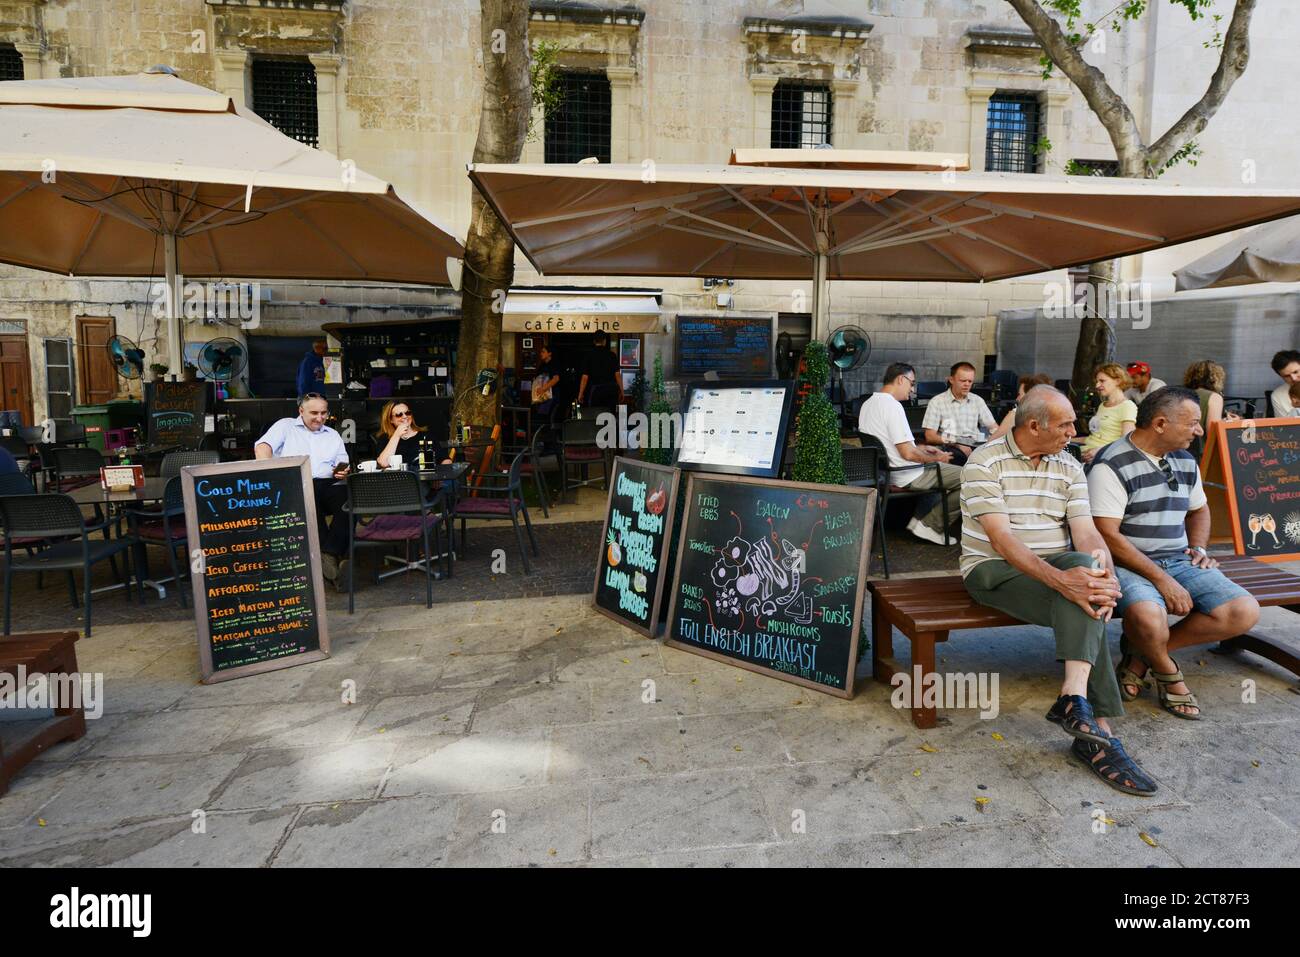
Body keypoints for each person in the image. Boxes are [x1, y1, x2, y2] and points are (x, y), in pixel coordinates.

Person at [961, 384, 1156, 795]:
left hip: (1056, 564)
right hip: (993, 570)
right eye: (1067, 425)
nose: (1076, 431)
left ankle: (1076, 702)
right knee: (1079, 592)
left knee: (1088, 575)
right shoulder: (984, 462)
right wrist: (1065, 582)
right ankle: (1098, 733)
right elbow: (1002, 540)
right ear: (1035, 425)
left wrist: (1105, 576)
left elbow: (1085, 533)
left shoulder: (1068, 465)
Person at [1089, 387, 1260, 720]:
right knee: (1150, 617)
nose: (1199, 430)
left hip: (1179, 558)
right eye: (1193, 423)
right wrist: (1162, 579)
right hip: (1126, 562)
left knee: (1244, 612)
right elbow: (1106, 535)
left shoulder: (1184, 459)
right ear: (1160, 423)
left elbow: (1199, 511)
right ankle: (1169, 674)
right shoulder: (1110, 464)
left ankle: (1141, 656)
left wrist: (1198, 548)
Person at [255, 392, 352, 589]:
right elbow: (263, 446)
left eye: (323, 413)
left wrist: (342, 470)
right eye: (314, 413)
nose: (320, 418)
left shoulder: (332, 434)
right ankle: (333, 561)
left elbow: (343, 461)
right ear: (301, 411)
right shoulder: (286, 426)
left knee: (349, 500)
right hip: (294, 482)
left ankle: (328, 554)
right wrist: (268, 473)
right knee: (308, 499)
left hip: (327, 483)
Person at [858, 362, 961, 545]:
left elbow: (892, 445)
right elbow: (908, 454)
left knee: (942, 467)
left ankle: (921, 520)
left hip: (884, 472)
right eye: (911, 383)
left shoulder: (868, 403)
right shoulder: (893, 407)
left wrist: (922, 448)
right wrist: (937, 457)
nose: (912, 390)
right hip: (907, 474)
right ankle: (930, 525)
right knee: (972, 478)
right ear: (900, 379)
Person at [921, 361, 998, 465]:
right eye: (963, 381)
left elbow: (993, 427)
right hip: (950, 446)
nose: (967, 384)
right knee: (962, 459)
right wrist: (957, 443)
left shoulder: (977, 400)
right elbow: (930, 436)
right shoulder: (937, 402)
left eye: (970, 381)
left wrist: (995, 440)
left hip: (974, 446)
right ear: (951, 380)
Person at [1182, 360, 1239, 459]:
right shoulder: (1213, 397)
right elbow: (1212, 432)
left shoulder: (1181, 394)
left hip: (1181, 453)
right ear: (1216, 378)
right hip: (1202, 456)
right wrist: (1231, 423)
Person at [1080, 363, 1137, 463]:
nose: (1097, 385)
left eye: (1102, 381)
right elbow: (1095, 437)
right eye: (1097, 381)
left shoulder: (1127, 406)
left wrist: (1100, 450)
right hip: (1087, 453)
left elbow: (1127, 441)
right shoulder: (1102, 405)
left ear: (1118, 381)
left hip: (1103, 458)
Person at [376, 400, 449, 469]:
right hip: (399, 480)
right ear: (391, 420)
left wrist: (440, 477)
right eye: (399, 415)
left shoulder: (425, 436)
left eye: (408, 413)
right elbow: (383, 463)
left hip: (425, 479)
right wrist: (396, 435)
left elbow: (445, 459)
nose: (405, 416)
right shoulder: (386, 438)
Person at [989, 372, 1052, 440]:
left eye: (1019, 395)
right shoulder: (1055, 415)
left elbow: (992, 441)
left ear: (1030, 396)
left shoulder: (1016, 415)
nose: (1017, 399)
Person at [578, 332, 623, 408]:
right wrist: (621, 391)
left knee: (596, 415)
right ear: (605, 341)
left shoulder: (589, 355)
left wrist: (581, 393)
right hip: (611, 390)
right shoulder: (612, 355)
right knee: (610, 416)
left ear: (594, 341)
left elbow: (585, 377)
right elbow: (617, 375)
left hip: (596, 391)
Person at [531, 341, 562, 422]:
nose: (541, 353)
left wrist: (543, 389)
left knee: (547, 418)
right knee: (541, 417)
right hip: (542, 397)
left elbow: (556, 379)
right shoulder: (543, 364)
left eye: (543, 352)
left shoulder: (554, 364)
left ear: (550, 353)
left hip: (552, 396)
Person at [1268, 349, 1300, 416]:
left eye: (1295, 372)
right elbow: (1284, 425)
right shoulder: (1278, 396)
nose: (1294, 378)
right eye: (1287, 376)